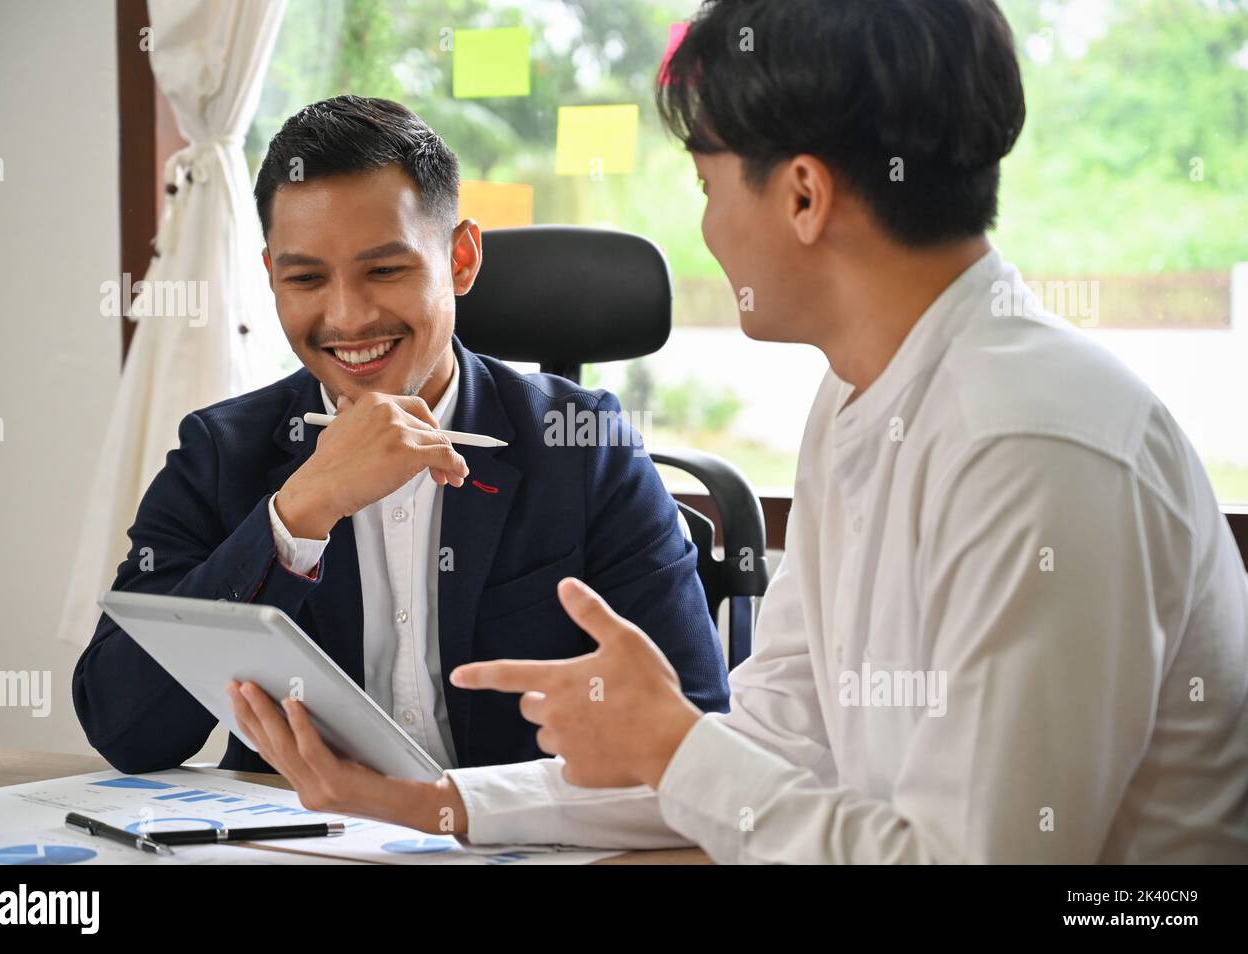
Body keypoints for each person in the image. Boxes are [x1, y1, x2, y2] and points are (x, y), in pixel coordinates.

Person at [228, 0, 1248, 862]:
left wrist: (672, 746)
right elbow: (772, 748)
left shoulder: (1030, 444)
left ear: (802, 194)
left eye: (708, 185)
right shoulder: (864, 397)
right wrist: (437, 807)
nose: (708, 229)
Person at [74, 96, 730, 776]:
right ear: (270, 277)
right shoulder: (221, 453)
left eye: (385, 270)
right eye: (305, 278)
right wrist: (296, 516)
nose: (348, 317)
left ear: (461, 259)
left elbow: (695, 725)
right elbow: (123, 727)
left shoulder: (585, 447)